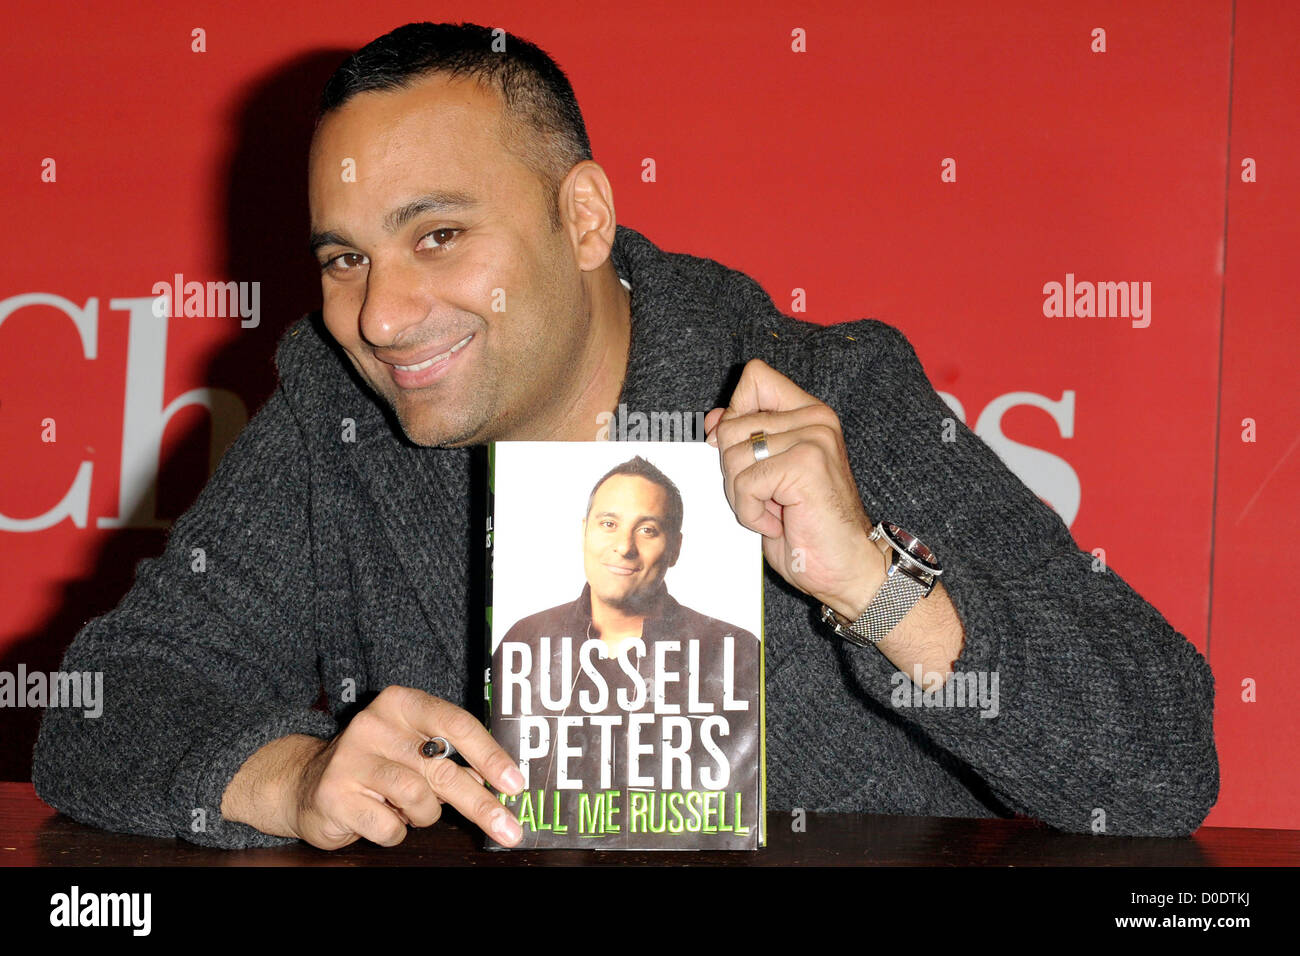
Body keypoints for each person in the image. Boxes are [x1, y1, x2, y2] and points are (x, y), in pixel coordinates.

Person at [32, 21, 1218, 851]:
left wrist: (878, 586)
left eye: (437, 235)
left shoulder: (824, 391)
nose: (381, 316)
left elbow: (1162, 764)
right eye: (345, 256)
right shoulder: (335, 421)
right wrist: (289, 775)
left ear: (584, 217)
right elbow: (99, 704)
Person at [491, 456, 761, 847]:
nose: (623, 547)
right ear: (584, 533)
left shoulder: (733, 653)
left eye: (647, 529)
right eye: (608, 524)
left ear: (675, 548)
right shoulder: (525, 639)